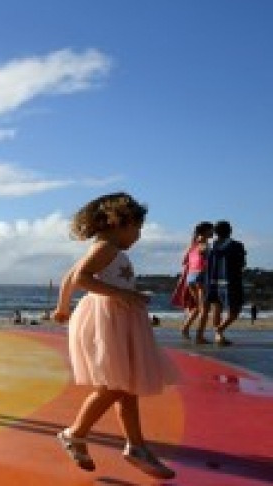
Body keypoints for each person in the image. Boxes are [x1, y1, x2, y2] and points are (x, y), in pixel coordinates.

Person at [52, 192, 178, 479]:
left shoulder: (103, 248)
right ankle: (75, 433)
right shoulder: (105, 248)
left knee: (127, 385)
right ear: (119, 222)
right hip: (109, 320)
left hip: (118, 320)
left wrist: (62, 307)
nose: (138, 236)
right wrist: (125, 294)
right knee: (116, 386)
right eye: (137, 228)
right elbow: (82, 278)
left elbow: (68, 278)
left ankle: (136, 445)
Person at [208, 220, 247, 346]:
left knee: (217, 309)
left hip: (214, 282)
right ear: (230, 231)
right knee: (235, 311)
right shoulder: (236, 246)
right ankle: (220, 330)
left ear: (215, 232)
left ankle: (218, 335)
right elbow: (242, 263)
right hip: (231, 282)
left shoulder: (212, 247)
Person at [174, 222, 213, 343]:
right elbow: (209, 260)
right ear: (206, 231)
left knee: (197, 307)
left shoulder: (192, 245)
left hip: (190, 277)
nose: (213, 232)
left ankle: (185, 328)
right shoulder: (204, 244)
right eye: (211, 230)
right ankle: (199, 336)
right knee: (204, 309)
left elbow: (184, 261)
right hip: (200, 276)